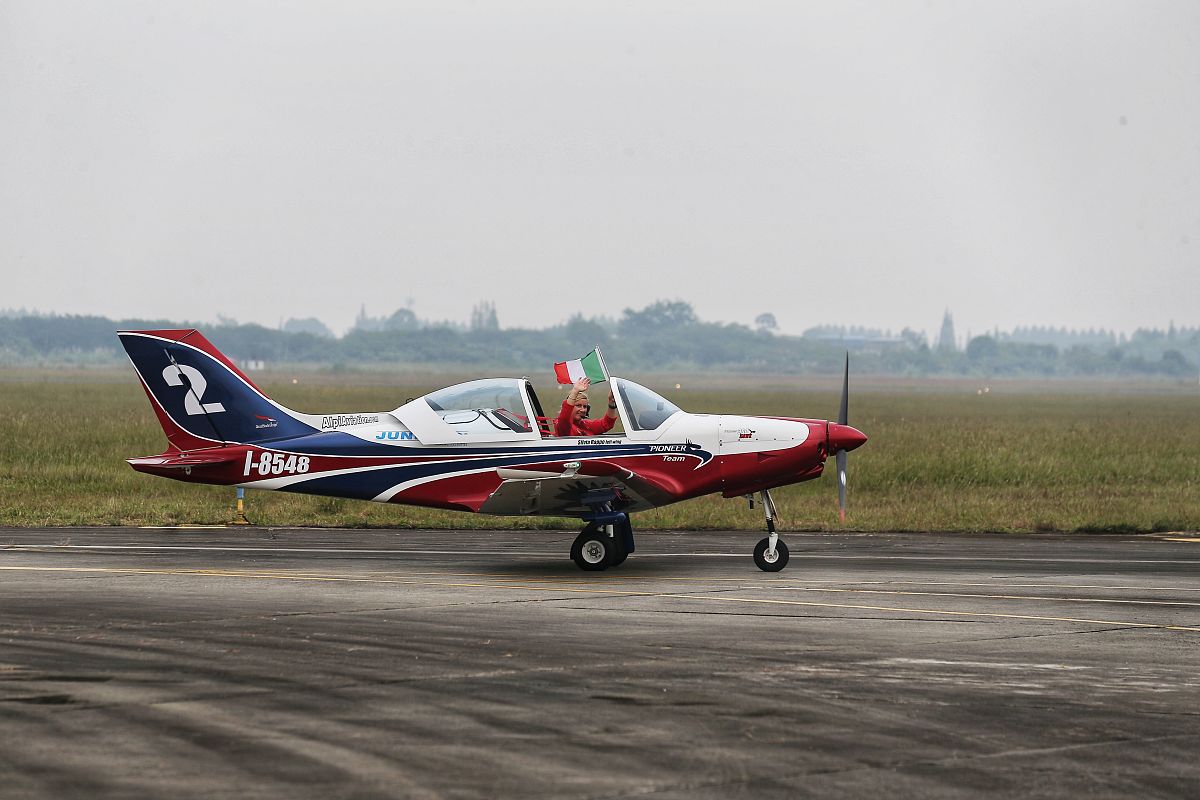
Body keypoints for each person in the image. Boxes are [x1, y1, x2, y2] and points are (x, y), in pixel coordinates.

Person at [554, 377, 618, 437]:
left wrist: (611, 403)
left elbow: (606, 424)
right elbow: (565, 417)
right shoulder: (561, 425)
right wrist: (575, 391)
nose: (583, 410)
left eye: (585, 407)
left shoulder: (585, 424)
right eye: (578, 405)